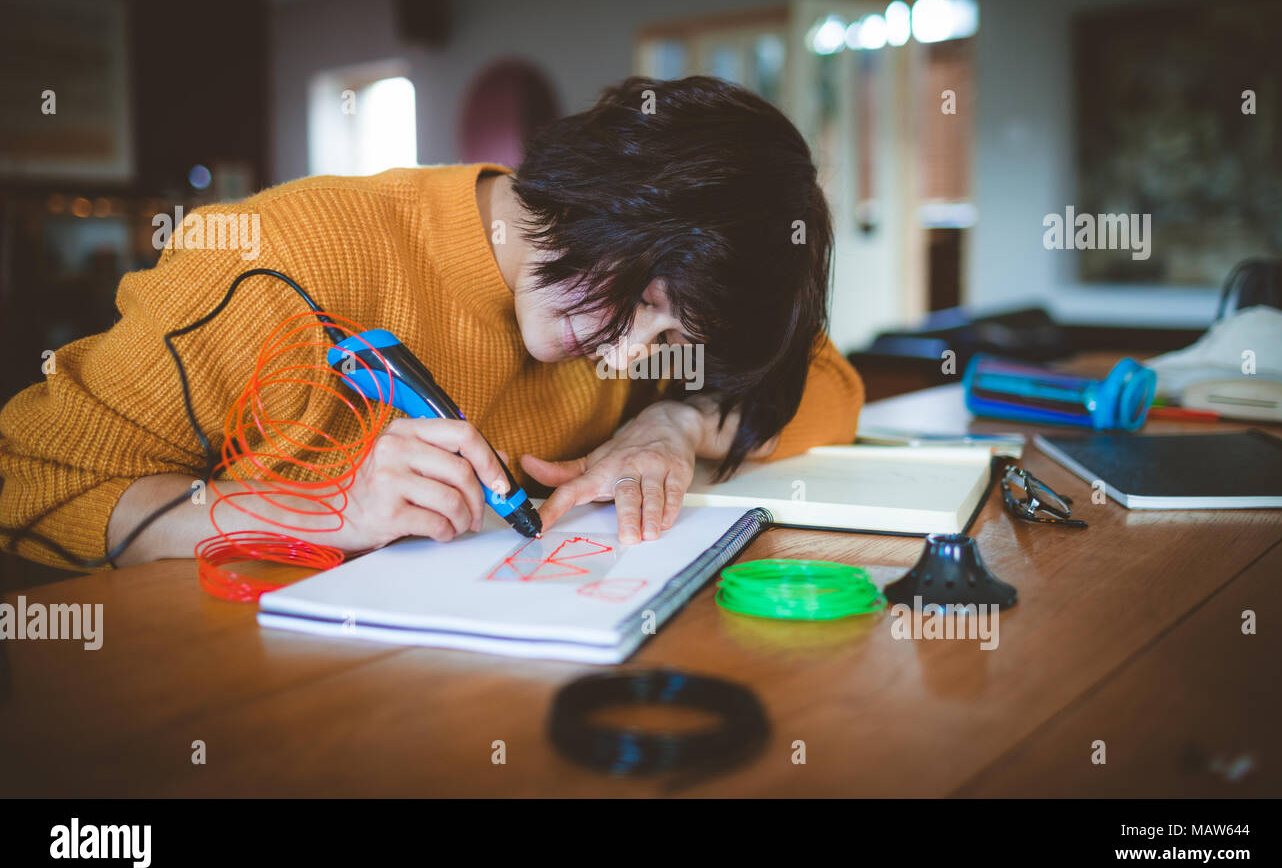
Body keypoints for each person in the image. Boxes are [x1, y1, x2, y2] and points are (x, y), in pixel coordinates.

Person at [0, 76, 863, 570]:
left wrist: (674, 422)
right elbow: (33, 488)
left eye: (673, 343)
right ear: (607, 191)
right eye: (638, 304)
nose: (625, 358)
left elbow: (825, 384)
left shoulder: (659, 321)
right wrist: (316, 509)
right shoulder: (273, 255)